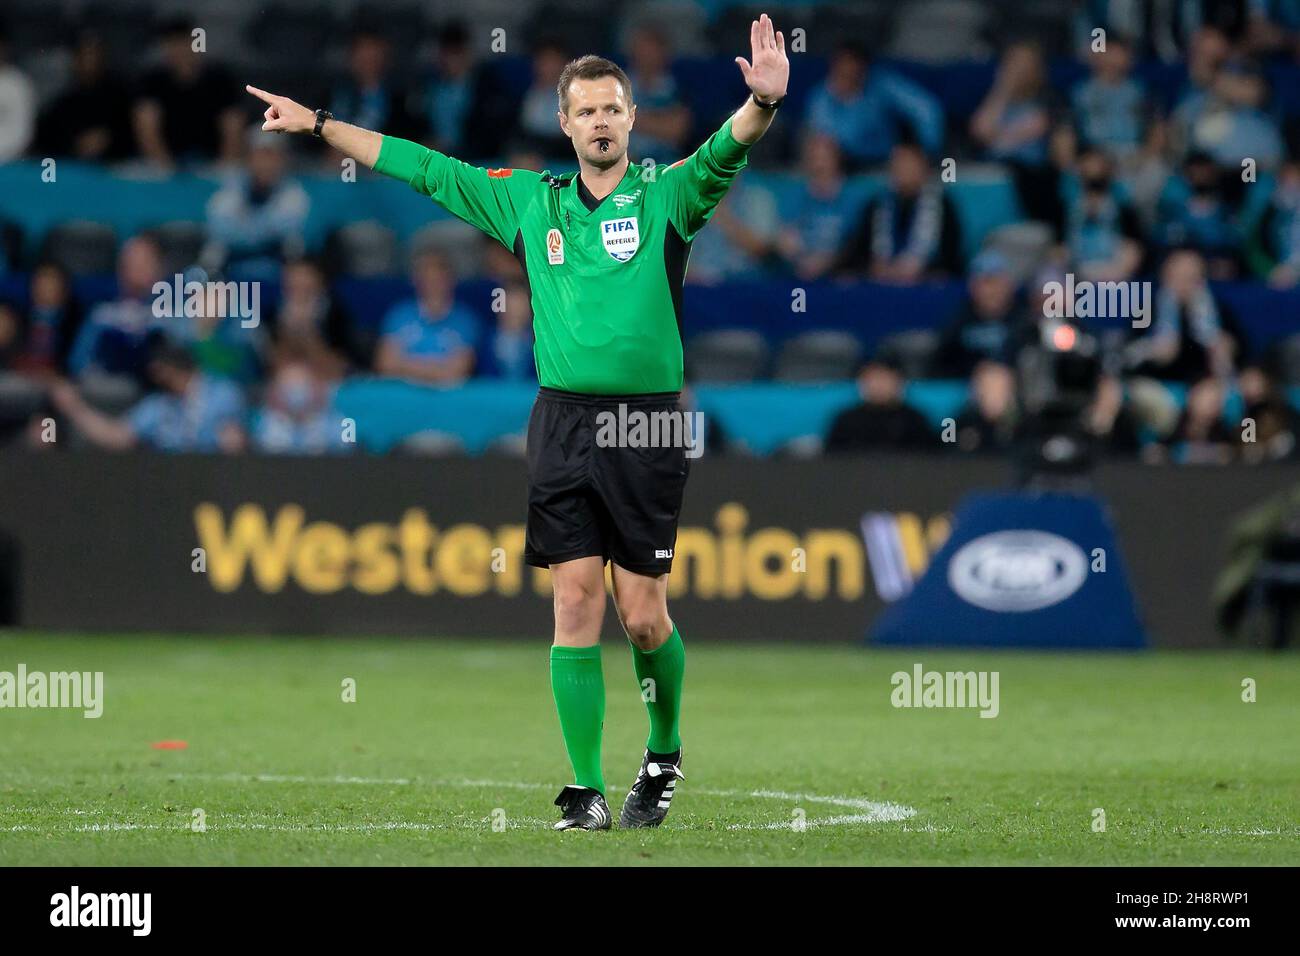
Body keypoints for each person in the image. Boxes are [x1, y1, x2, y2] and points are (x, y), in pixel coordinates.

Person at [247, 13, 789, 831]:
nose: (601, 122)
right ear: (564, 122)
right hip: (563, 421)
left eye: (614, 108)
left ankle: (665, 750)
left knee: (643, 616)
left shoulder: (667, 193)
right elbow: (425, 168)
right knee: (575, 601)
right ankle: (585, 791)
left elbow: (725, 150)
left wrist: (763, 105)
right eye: (587, 110)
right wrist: (320, 123)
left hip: (646, 425)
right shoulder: (528, 203)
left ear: (631, 119)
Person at [49, 339, 246, 453]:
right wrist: (74, 408)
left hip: (212, 479)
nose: (157, 377)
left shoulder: (223, 393)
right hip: (169, 484)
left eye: (161, 370)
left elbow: (234, 443)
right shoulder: (158, 405)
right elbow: (117, 436)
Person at [374, 249, 480, 385]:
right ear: (415, 280)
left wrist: (404, 365)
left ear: (451, 280)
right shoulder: (398, 314)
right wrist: (437, 368)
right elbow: (385, 365)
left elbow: (459, 371)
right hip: (402, 396)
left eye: (439, 278)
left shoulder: (466, 319)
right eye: (427, 278)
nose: (433, 284)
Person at [825, 356, 935, 453]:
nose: (878, 384)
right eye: (872, 378)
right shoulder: (846, 421)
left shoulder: (915, 420)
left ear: (899, 381)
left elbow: (933, 460)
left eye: (885, 378)